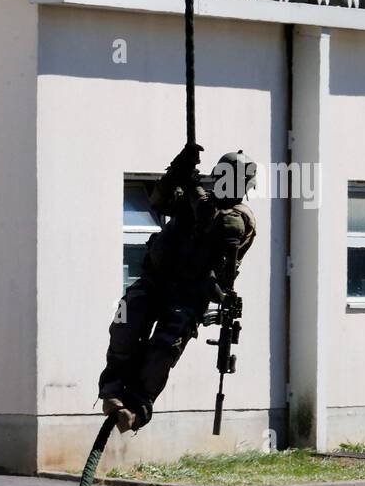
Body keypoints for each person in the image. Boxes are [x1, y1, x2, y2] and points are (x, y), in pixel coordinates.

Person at [99, 145, 258, 433]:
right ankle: (112, 389)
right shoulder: (195, 198)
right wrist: (177, 170)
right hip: (156, 280)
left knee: (162, 350)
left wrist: (191, 182)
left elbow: (212, 222)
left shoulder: (240, 218)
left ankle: (136, 407)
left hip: (188, 295)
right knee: (125, 321)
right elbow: (160, 201)